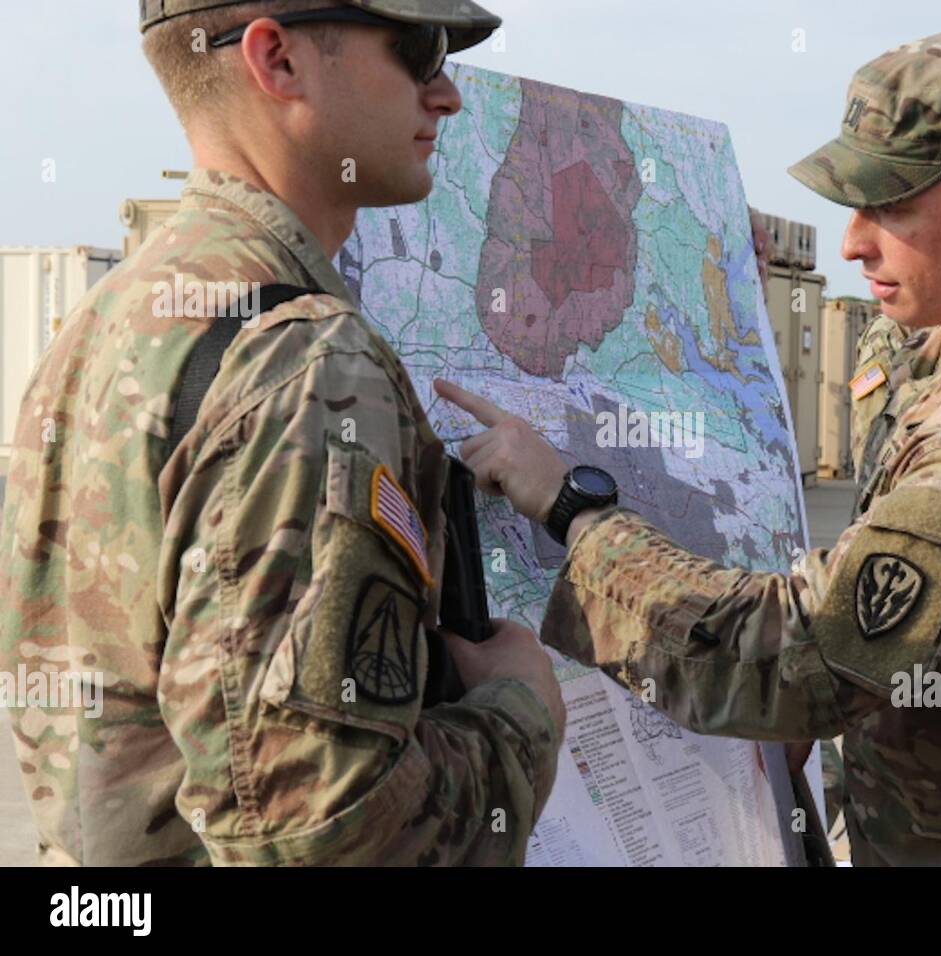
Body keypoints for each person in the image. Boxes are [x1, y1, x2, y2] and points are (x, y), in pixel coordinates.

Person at [436, 31, 941, 865]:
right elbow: (891, 385)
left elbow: (797, 659)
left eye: (890, 206)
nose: (855, 242)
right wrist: (707, 274)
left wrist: (572, 509)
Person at [0, 0, 564, 866]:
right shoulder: (311, 367)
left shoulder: (105, 323)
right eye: (420, 50)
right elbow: (325, 838)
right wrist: (519, 715)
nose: (446, 93)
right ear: (278, 61)